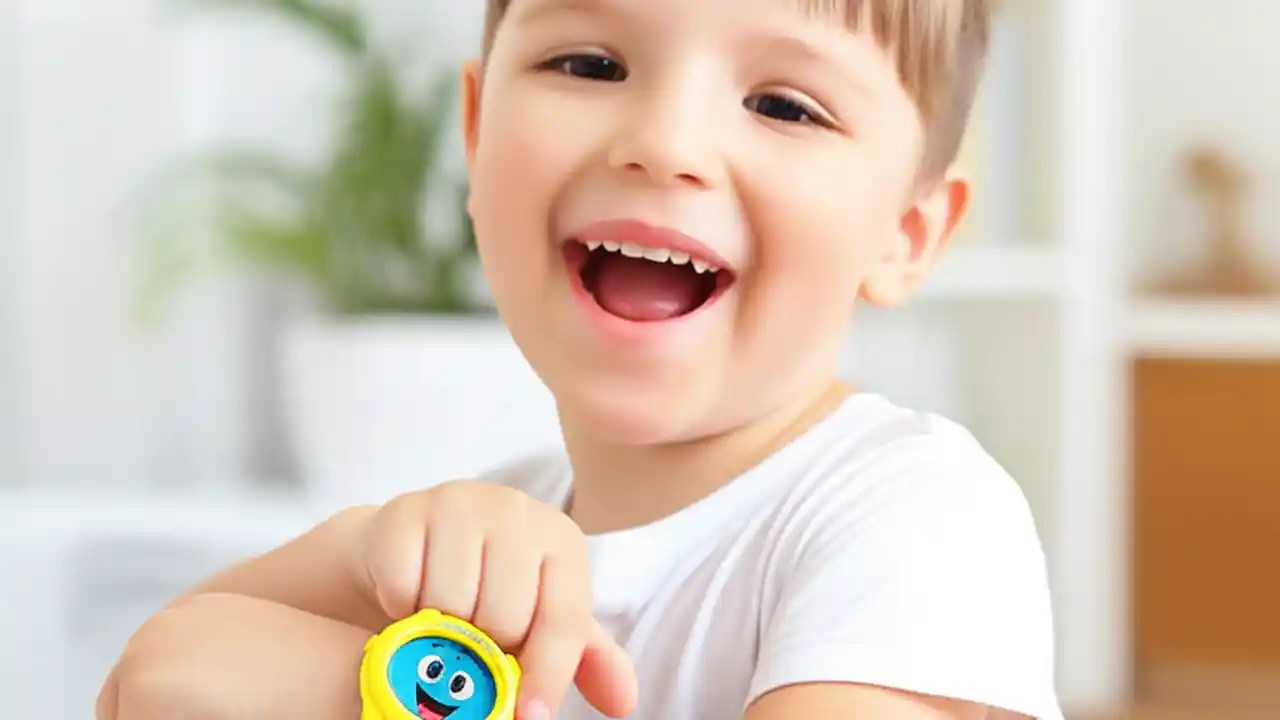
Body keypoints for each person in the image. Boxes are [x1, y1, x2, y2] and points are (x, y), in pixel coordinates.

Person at [97, 0, 1062, 718]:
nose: (664, 143)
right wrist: (362, 556)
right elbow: (155, 683)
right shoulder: (483, 541)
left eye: (783, 104)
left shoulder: (915, 515)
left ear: (905, 233)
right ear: (476, 141)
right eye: (591, 63)